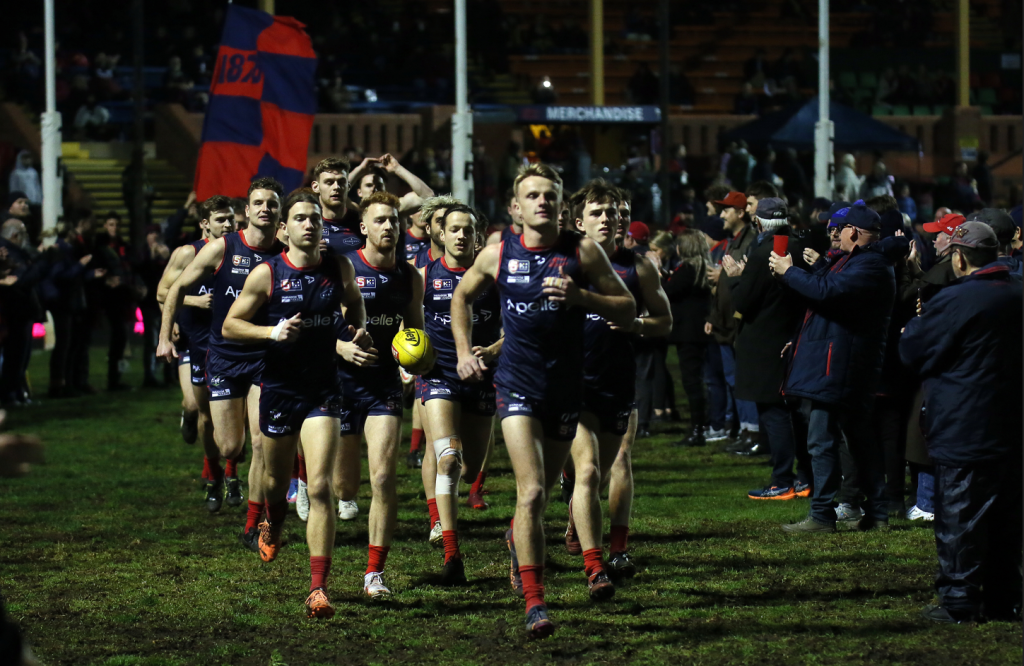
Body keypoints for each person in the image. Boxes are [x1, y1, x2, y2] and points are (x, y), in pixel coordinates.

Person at [450, 163, 636, 639]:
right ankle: (536, 603)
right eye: (532, 195)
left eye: (550, 195)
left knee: (549, 490)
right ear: (515, 207)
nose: (542, 202)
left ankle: (519, 535)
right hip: (515, 386)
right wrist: (463, 351)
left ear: (561, 204)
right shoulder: (497, 254)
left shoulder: (583, 252)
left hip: (565, 390)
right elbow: (461, 298)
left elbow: (627, 307)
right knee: (530, 492)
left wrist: (581, 297)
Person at [222, 189, 369, 619]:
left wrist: (355, 328)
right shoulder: (267, 274)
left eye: (316, 219)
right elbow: (232, 324)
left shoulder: (338, 266)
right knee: (274, 480)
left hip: (323, 390)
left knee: (319, 485)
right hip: (280, 390)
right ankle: (273, 520)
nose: (310, 225)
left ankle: (318, 588)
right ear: (285, 229)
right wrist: (271, 334)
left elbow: (355, 304)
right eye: (301, 218)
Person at [899, 221, 1022, 624]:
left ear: (959, 257)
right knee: (1006, 521)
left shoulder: (956, 299)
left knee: (959, 521)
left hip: (964, 424)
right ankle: (1005, 600)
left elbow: (914, 350)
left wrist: (916, 323)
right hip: (1010, 424)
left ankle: (958, 601)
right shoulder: (1016, 292)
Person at [157, 178, 286, 539]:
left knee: (260, 442)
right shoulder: (223, 248)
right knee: (233, 446)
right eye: (258, 203)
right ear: (248, 211)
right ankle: (217, 468)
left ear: (279, 213)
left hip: (266, 356)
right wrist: (165, 335)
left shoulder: (285, 253)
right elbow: (176, 288)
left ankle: (254, 524)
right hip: (225, 357)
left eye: (272, 204)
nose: (265, 209)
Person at [565, 180, 671, 595]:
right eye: (598, 212)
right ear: (580, 222)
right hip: (572, 386)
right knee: (588, 469)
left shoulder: (638, 267)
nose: (608, 219)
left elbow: (665, 321)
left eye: (614, 212)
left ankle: (587, 522)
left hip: (618, 384)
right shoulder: (564, 264)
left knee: (610, 465)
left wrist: (636, 324)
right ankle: (596, 568)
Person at [769, 204, 896, 533]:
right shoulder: (857, 262)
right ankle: (876, 513)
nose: (835, 235)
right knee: (856, 439)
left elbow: (827, 293)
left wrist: (789, 271)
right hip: (837, 362)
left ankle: (823, 515)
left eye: (840, 230)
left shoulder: (871, 265)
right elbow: (819, 298)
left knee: (822, 440)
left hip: (840, 366)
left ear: (853, 232)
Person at [332, 191, 425, 600]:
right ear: (363, 229)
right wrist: (341, 347)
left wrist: (413, 361)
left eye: (394, 220)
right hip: (339, 384)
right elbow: (322, 323)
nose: (390, 226)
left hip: (384, 386)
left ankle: (374, 573)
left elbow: (415, 330)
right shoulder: (344, 267)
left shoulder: (411, 276)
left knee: (384, 478)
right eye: (381, 220)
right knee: (344, 488)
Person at [419, 205, 503, 584]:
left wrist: (495, 350)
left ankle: (448, 518)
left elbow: (517, 324)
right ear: (441, 235)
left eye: (467, 229)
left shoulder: (493, 279)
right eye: (453, 229)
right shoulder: (424, 276)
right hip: (439, 376)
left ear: (477, 236)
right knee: (448, 458)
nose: (460, 236)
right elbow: (408, 321)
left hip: (483, 377)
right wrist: (405, 352)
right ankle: (453, 554)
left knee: (468, 472)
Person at [732, 198, 811, 499]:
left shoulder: (763, 251)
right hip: (797, 338)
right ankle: (805, 478)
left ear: (758, 223)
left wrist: (737, 278)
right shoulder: (802, 247)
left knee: (774, 414)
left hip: (765, 345)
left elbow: (744, 302)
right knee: (798, 413)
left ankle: (782, 480)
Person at [156, 196, 236, 490]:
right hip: (191, 338)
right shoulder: (186, 253)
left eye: (231, 219)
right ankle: (188, 415)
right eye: (220, 220)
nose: (228, 225)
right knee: (195, 404)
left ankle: (217, 469)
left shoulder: (237, 251)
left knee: (225, 414)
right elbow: (163, 293)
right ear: (204, 224)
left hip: (222, 342)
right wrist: (192, 303)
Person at [705, 190, 760, 449]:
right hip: (726, 321)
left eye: (726, 209)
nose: (722, 214)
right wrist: (714, 316)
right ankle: (745, 429)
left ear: (740, 213)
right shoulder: (734, 240)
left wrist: (737, 317)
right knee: (733, 378)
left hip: (738, 321)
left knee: (743, 378)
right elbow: (726, 285)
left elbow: (747, 283)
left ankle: (753, 431)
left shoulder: (750, 240)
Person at [662, 230, 713, 447]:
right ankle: (700, 426)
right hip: (698, 331)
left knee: (691, 381)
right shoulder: (702, 267)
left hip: (688, 332)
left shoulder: (688, 268)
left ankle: (697, 430)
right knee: (696, 380)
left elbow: (668, 291)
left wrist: (657, 275)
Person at [0, 218, 46, 405]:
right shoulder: (11, 252)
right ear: (14, 236)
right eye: (23, 234)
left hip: (16, 312)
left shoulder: (15, 253)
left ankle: (16, 393)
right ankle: (10, 394)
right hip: (14, 312)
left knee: (19, 357)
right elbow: (20, 281)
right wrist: (42, 265)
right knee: (15, 357)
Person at [309, 158, 363, 255]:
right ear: (316, 187)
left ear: (348, 187)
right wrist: (305, 251)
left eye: (341, 182)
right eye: (329, 182)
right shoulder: (305, 223)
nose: (336, 187)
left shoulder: (362, 222)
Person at [349, 153, 435, 212]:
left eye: (379, 185)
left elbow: (428, 196)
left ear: (385, 189)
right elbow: (338, 189)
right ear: (359, 192)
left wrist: (397, 168)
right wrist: (359, 170)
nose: (374, 188)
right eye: (369, 185)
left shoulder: (394, 209)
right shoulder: (355, 212)